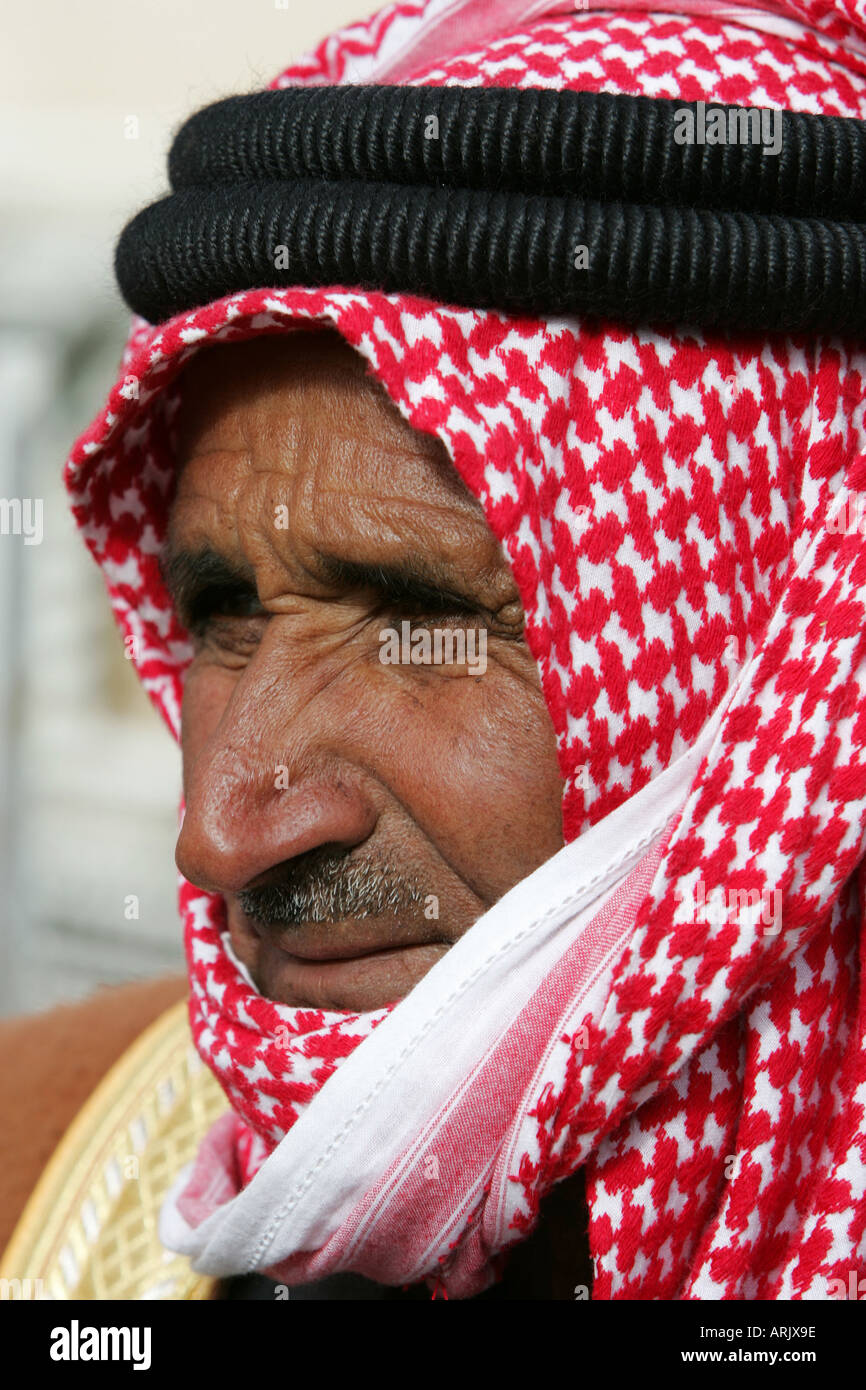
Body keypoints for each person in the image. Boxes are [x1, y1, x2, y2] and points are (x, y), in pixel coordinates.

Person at [3, 0, 866, 1301]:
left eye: (423, 622)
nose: (221, 837)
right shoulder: (40, 1166)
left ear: (785, 665)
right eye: (223, 617)